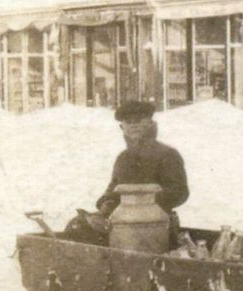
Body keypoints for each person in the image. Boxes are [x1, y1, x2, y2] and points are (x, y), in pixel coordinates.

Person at [67, 100, 190, 242]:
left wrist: (141, 201)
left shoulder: (167, 154)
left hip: (156, 225)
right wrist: (105, 205)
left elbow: (180, 192)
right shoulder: (123, 158)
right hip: (123, 222)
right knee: (77, 226)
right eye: (128, 121)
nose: (133, 125)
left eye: (138, 120)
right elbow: (112, 189)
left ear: (150, 123)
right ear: (122, 127)